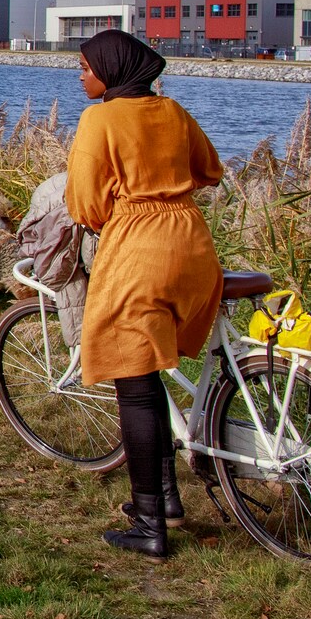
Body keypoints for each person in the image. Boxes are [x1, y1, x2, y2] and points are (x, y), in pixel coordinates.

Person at [65, 28, 225, 559]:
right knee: (152, 370)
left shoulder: (100, 119)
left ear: (111, 69)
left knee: (133, 381)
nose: (81, 74)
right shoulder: (173, 112)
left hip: (140, 247)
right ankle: (169, 499)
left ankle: (150, 523)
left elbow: (85, 207)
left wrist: (128, 202)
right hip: (193, 244)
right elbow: (210, 171)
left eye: (86, 67)